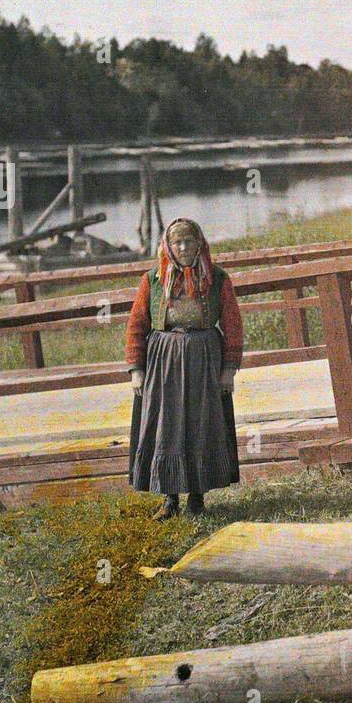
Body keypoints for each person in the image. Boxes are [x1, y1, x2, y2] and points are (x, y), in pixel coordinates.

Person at [125, 218, 243, 517]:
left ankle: (197, 499)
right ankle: (169, 499)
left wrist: (228, 368)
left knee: (201, 424)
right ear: (168, 246)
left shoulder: (217, 279)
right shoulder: (153, 280)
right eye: (177, 243)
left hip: (203, 360)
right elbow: (137, 324)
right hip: (163, 362)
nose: (183, 247)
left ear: (199, 243)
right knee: (166, 425)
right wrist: (137, 369)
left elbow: (232, 324)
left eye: (188, 241)